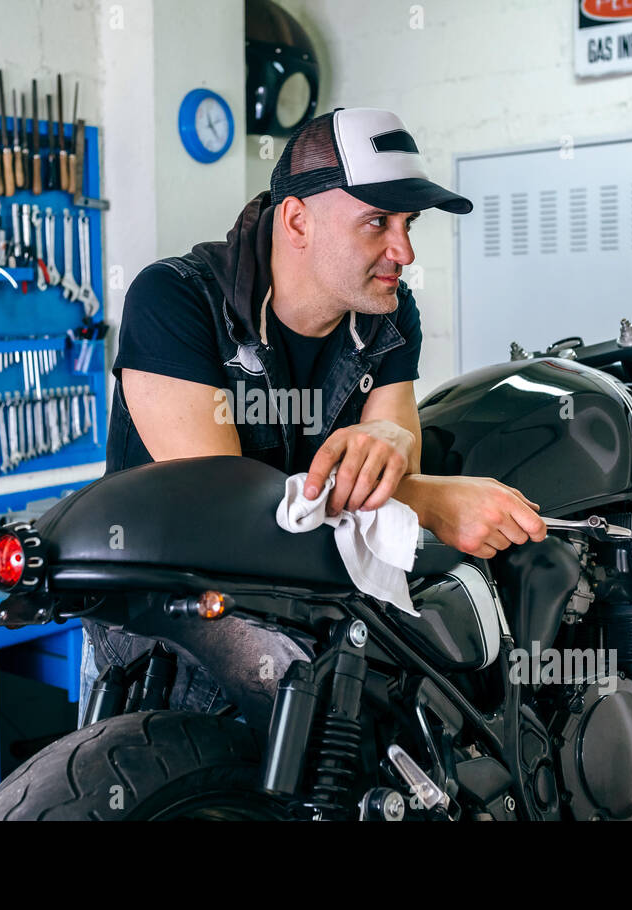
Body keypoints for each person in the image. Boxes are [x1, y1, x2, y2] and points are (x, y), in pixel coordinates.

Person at [80, 108, 546, 728]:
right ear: (297, 219)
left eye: (408, 223)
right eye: (377, 222)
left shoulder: (385, 311)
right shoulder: (176, 299)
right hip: (164, 616)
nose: (403, 250)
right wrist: (430, 501)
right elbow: (223, 514)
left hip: (298, 598)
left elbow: (398, 443)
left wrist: (390, 442)